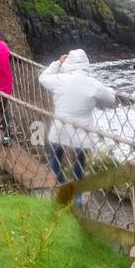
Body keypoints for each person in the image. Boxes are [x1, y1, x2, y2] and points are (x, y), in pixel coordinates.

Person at [38, 49, 118, 191]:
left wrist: (57, 63)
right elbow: (111, 100)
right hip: (82, 130)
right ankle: (77, 191)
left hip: (60, 127)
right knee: (79, 160)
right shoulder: (93, 84)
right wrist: (110, 90)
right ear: (86, 63)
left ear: (68, 63)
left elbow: (43, 78)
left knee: (56, 155)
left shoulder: (59, 80)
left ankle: (61, 183)